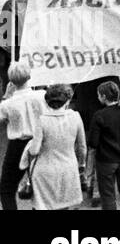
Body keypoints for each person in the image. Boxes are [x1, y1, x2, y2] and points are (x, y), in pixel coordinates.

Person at [20, 83, 86, 211]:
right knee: (63, 207)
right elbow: (82, 147)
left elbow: (34, 150)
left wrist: (29, 145)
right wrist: (81, 166)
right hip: (68, 170)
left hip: (44, 171)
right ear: (67, 100)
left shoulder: (42, 120)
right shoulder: (75, 117)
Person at [0, 62, 45, 211]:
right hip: (40, 141)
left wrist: (6, 96)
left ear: (11, 81)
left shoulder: (7, 104)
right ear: (30, 76)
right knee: (41, 189)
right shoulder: (41, 96)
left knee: (6, 189)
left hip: (17, 145)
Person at [86, 80, 120, 210]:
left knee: (107, 196)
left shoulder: (99, 115)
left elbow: (93, 143)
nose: (97, 97)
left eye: (98, 95)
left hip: (106, 161)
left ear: (104, 97)